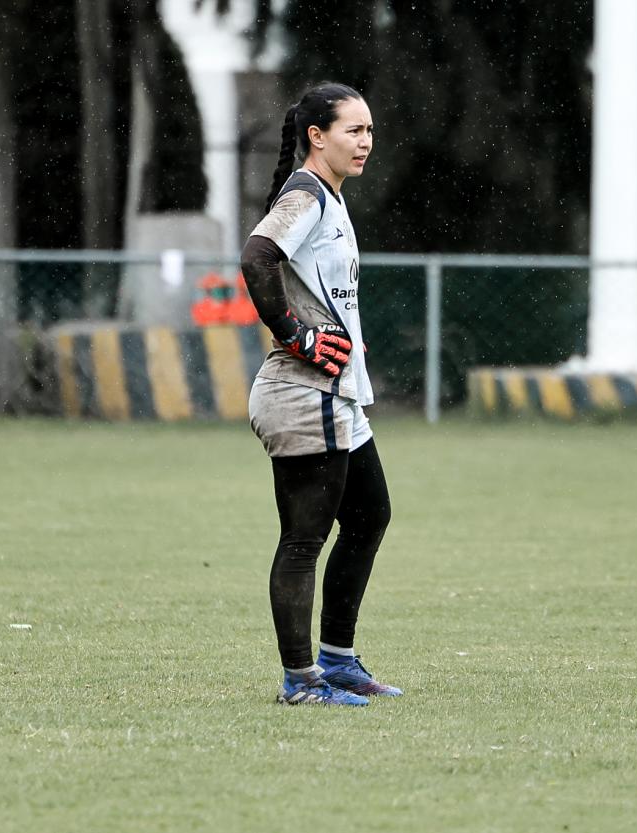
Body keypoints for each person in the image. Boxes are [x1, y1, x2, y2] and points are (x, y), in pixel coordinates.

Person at [239, 83, 400, 707]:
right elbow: (256, 257)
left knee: (369, 514)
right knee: (304, 539)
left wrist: (335, 336)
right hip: (303, 393)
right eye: (353, 130)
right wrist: (296, 335)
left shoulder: (330, 195)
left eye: (369, 130)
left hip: (337, 392)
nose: (365, 142)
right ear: (316, 136)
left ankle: (336, 661)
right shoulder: (306, 193)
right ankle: (300, 681)